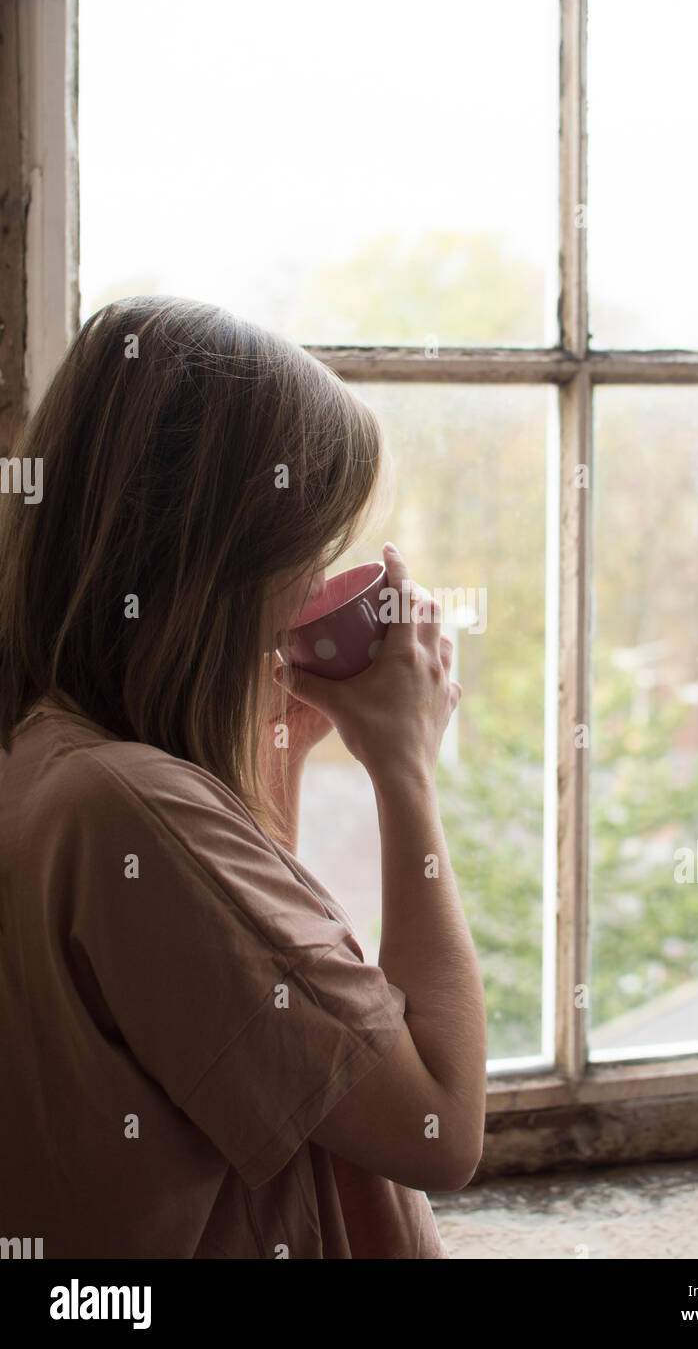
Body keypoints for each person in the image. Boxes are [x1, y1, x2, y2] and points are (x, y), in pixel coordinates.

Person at [0, 296, 487, 1259]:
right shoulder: (130, 805)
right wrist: (404, 774)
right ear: (218, 561)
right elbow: (439, 1126)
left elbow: (250, 1020)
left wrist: (283, 753)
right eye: (304, 553)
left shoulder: (49, 762)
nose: (312, 588)